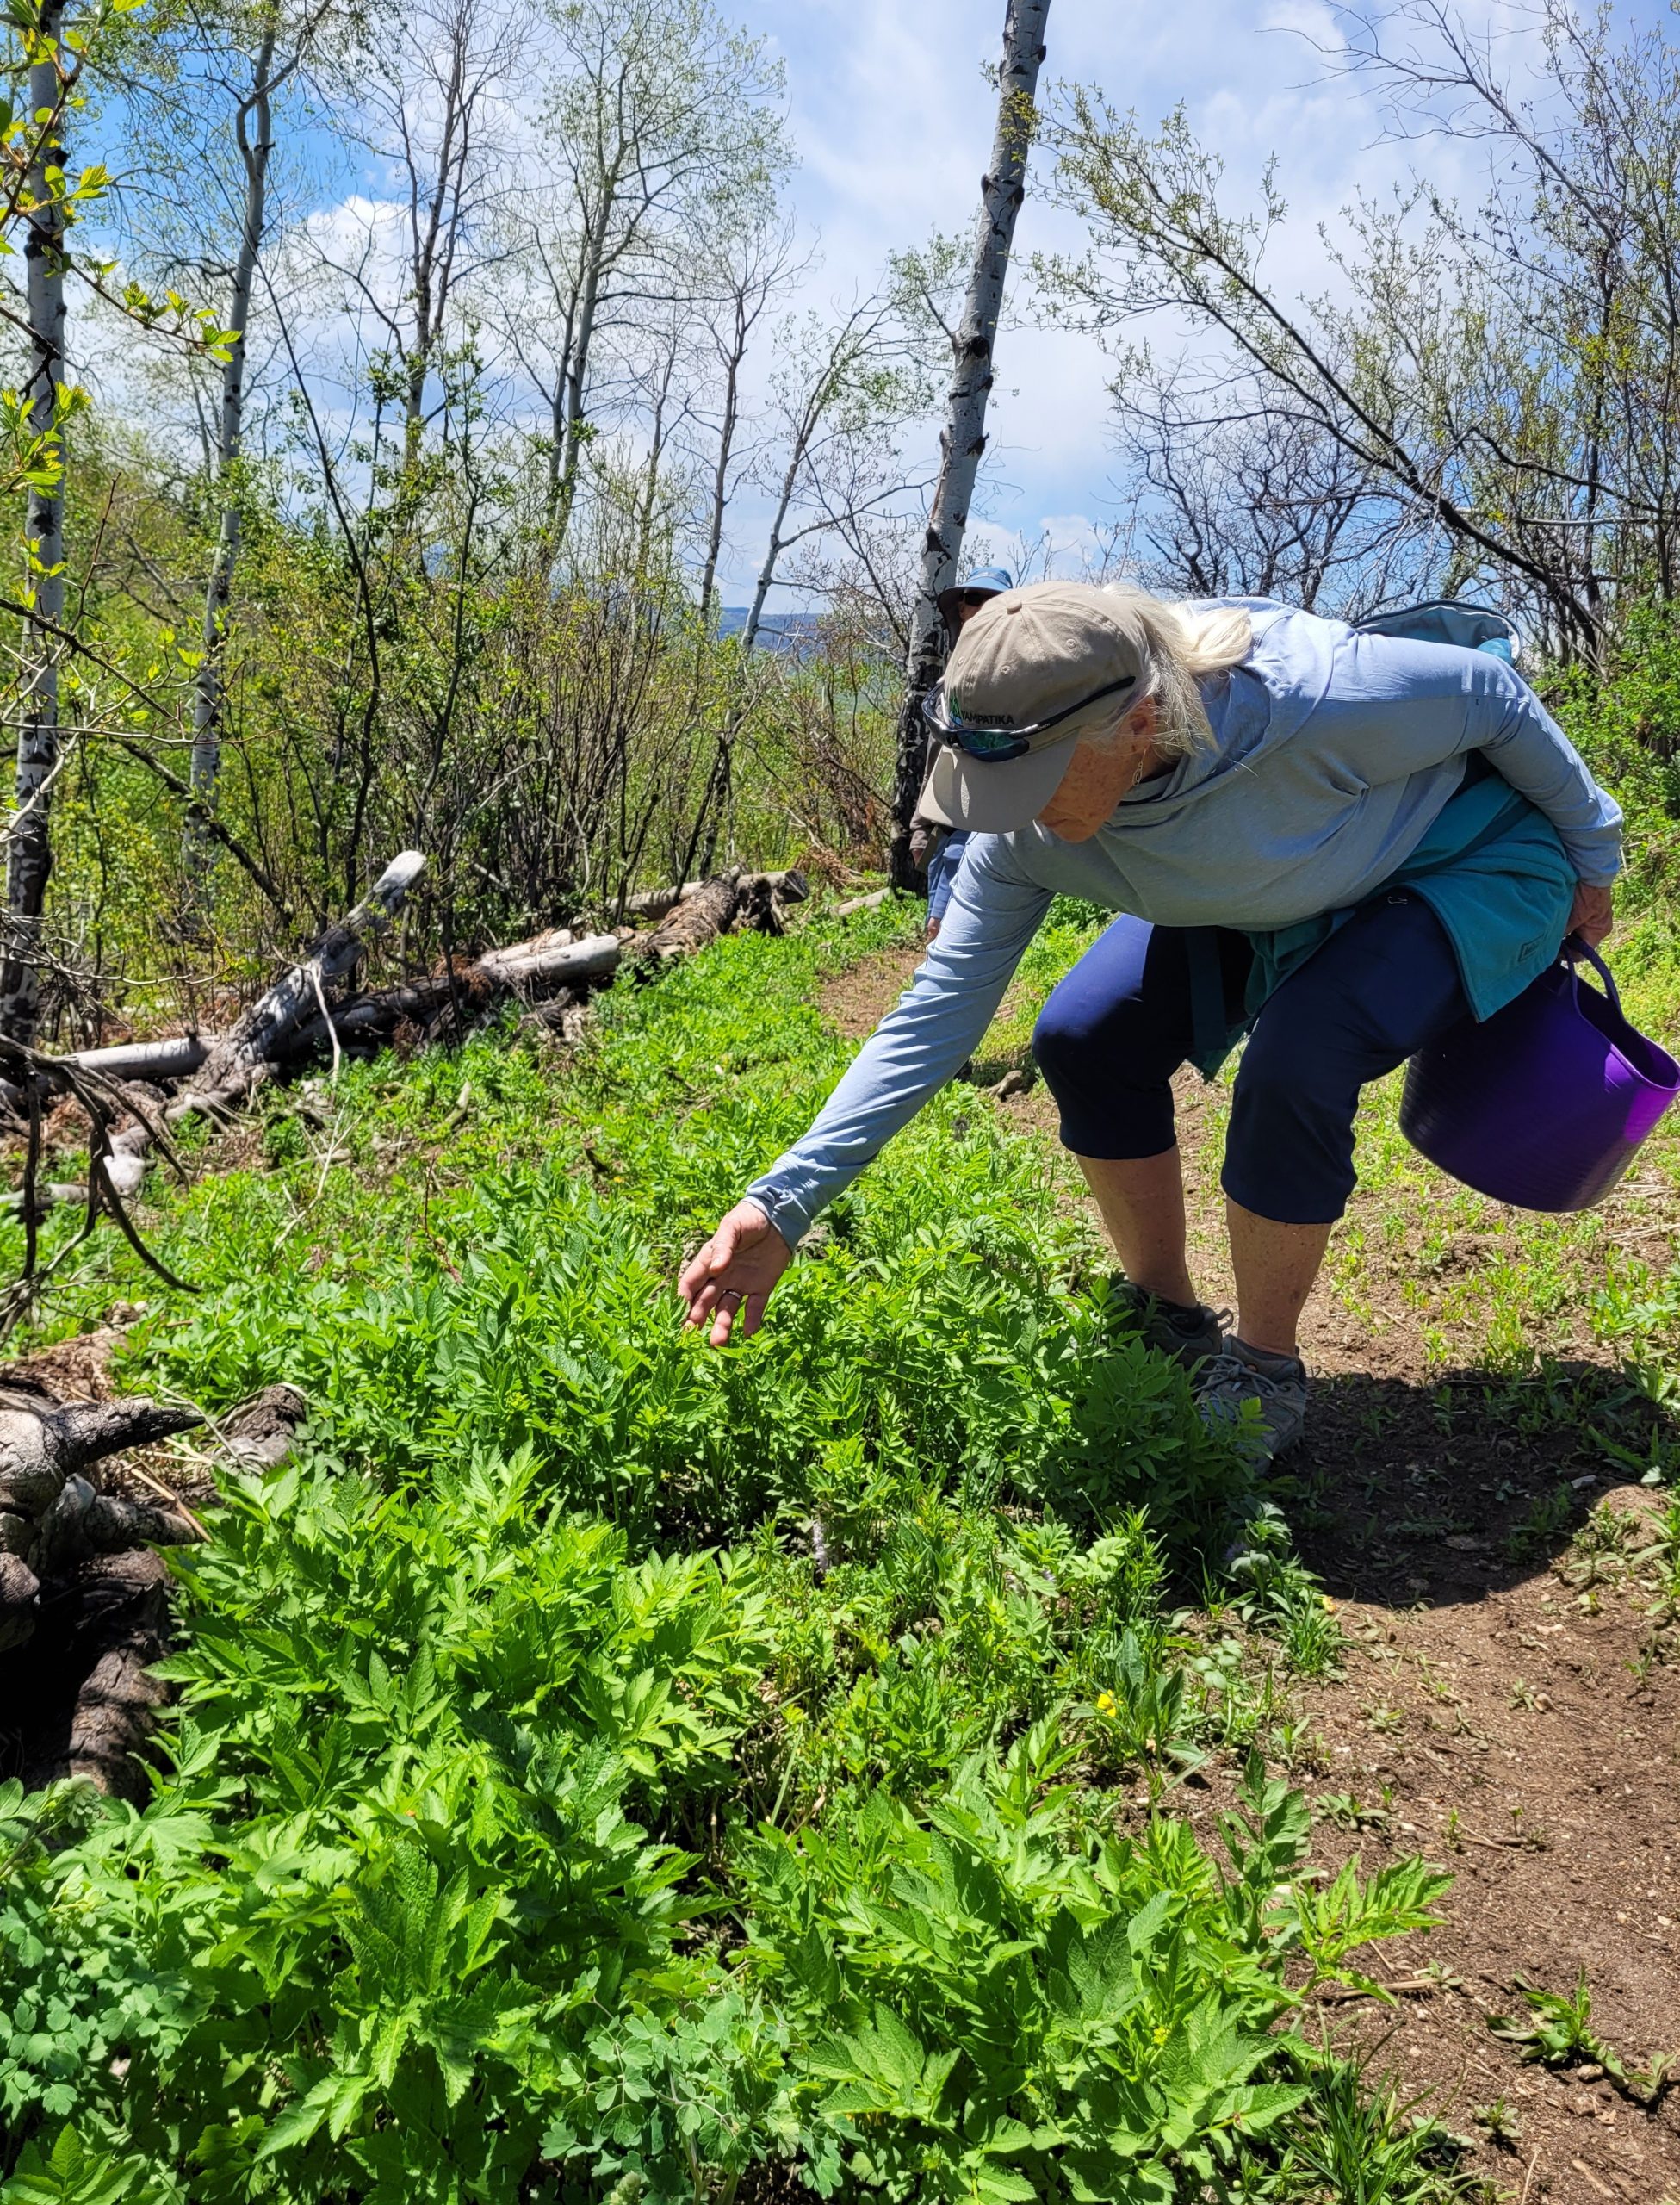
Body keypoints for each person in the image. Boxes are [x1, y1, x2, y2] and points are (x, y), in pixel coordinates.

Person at [679, 582, 1621, 1459]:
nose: (1012, 821)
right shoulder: (1023, 837)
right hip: (1271, 884)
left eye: (1034, 786)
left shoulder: (1311, 698)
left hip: (1455, 853)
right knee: (1084, 1036)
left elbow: (1493, 695)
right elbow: (933, 1015)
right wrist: (783, 1202)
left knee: (1300, 1053)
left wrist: (1594, 859)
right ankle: (1167, 1312)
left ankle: (1261, 1371)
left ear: (1139, 724)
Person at [913, 567, 1014, 937]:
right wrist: (920, 827)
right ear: (961, 609)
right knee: (940, 929)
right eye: (975, 598)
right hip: (950, 819)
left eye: (994, 599)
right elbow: (935, 759)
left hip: (999, 824)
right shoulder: (947, 679)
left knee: (958, 929)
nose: (983, 607)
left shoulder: (1022, 675)